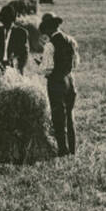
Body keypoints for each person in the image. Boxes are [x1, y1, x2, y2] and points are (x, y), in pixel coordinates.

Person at [39, 13, 78, 156]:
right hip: (70, 80)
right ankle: (72, 149)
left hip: (56, 83)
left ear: (48, 29)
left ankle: (63, 150)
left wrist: (41, 64)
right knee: (69, 115)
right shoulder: (71, 40)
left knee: (58, 117)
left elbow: (47, 69)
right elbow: (75, 63)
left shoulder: (50, 45)